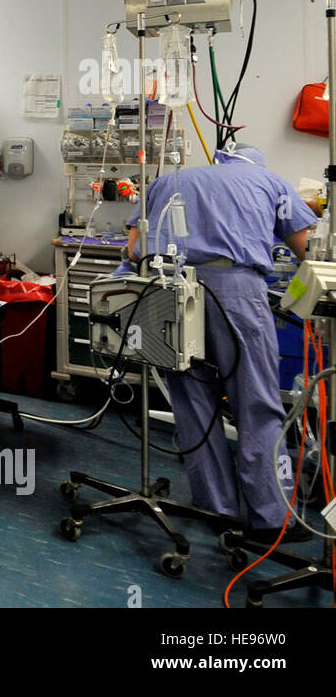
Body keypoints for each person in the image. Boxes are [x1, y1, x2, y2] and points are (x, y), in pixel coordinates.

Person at [124, 145, 316, 543]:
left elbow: (132, 249)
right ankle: (271, 516)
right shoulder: (272, 182)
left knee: (193, 403)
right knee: (257, 404)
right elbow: (307, 251)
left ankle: (216, 507)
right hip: (236, 294)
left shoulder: (168, 182)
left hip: (171, 294)